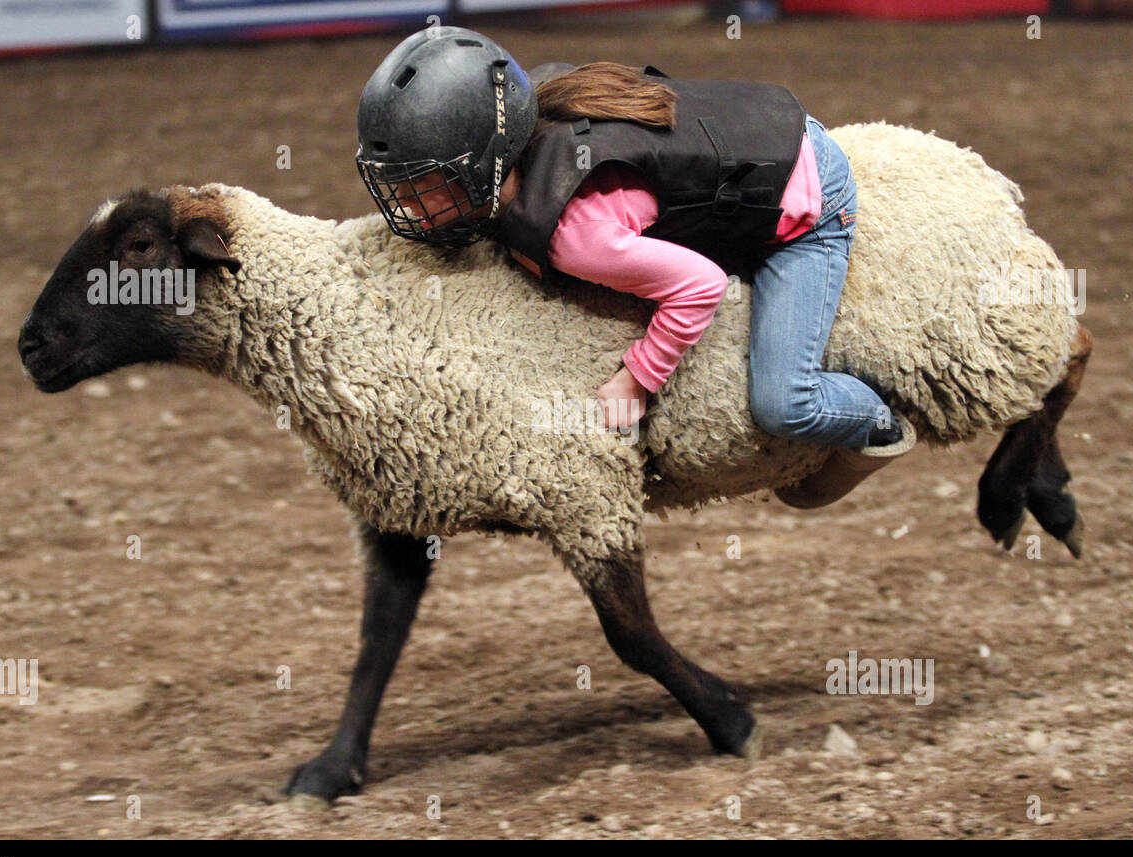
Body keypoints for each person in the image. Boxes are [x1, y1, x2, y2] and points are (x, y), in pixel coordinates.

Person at [355, 26, 915, 507]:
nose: (406, 204)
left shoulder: (576, 237)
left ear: (483, 166)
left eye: (421, 185)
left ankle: (879, 422)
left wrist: (636, 381)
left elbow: (701, 286)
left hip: (811, 196)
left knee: (784, 403)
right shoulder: (537, 116)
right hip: (763, 126)